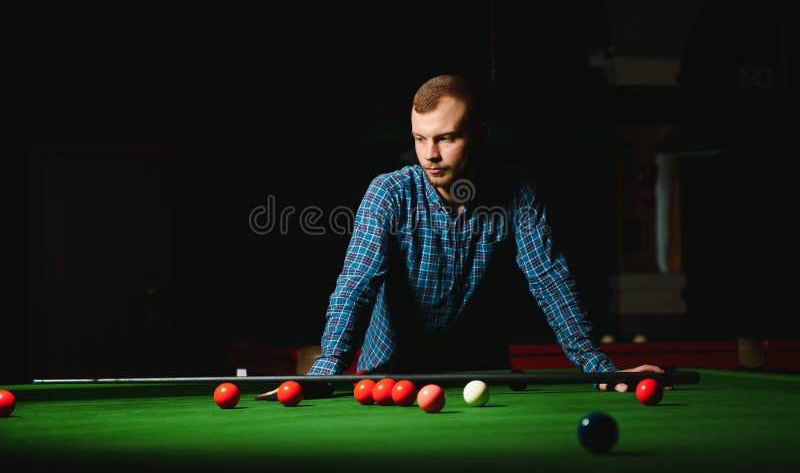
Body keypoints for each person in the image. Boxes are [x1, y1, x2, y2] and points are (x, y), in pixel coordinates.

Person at [257, 74, 663, 399]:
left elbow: (549, 280)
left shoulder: (517, 191)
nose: (430, 154)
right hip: (391, 381)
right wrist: (325, 372)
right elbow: (357, 285)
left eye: (446, 138)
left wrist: (598, 367)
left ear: (480, 134)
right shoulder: (389, 193)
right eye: (420, 138)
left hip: (482, 378)